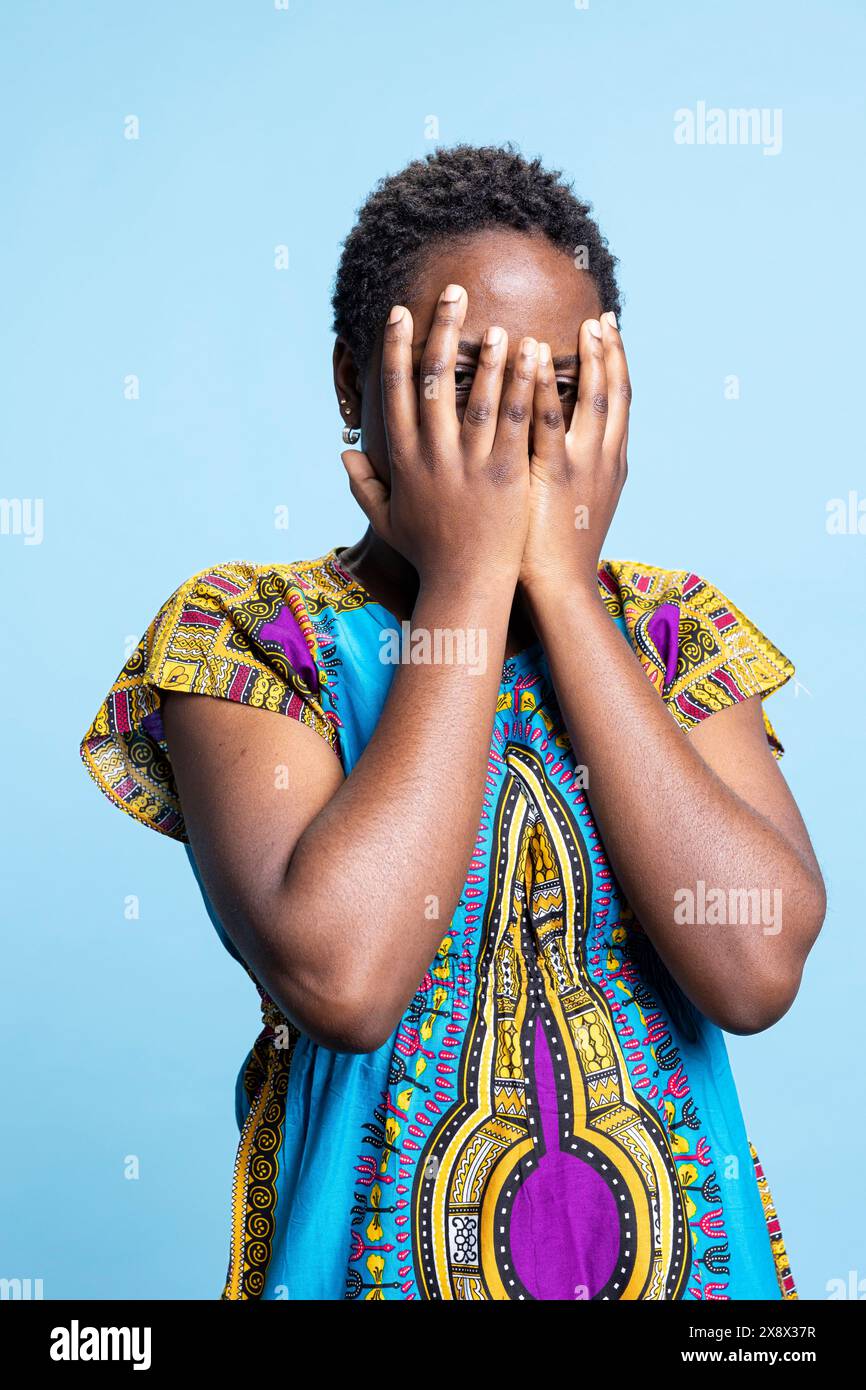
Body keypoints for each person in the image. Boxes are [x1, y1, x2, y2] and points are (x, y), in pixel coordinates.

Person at [80, 144, 825, 1301]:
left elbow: (753, 966)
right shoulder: (250, 635)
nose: (512, 427)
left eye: (559, 389)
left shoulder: (670, 630)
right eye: (460, 375)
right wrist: (470, 581)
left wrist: (568, 595)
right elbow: (344, 975)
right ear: (351, 377)